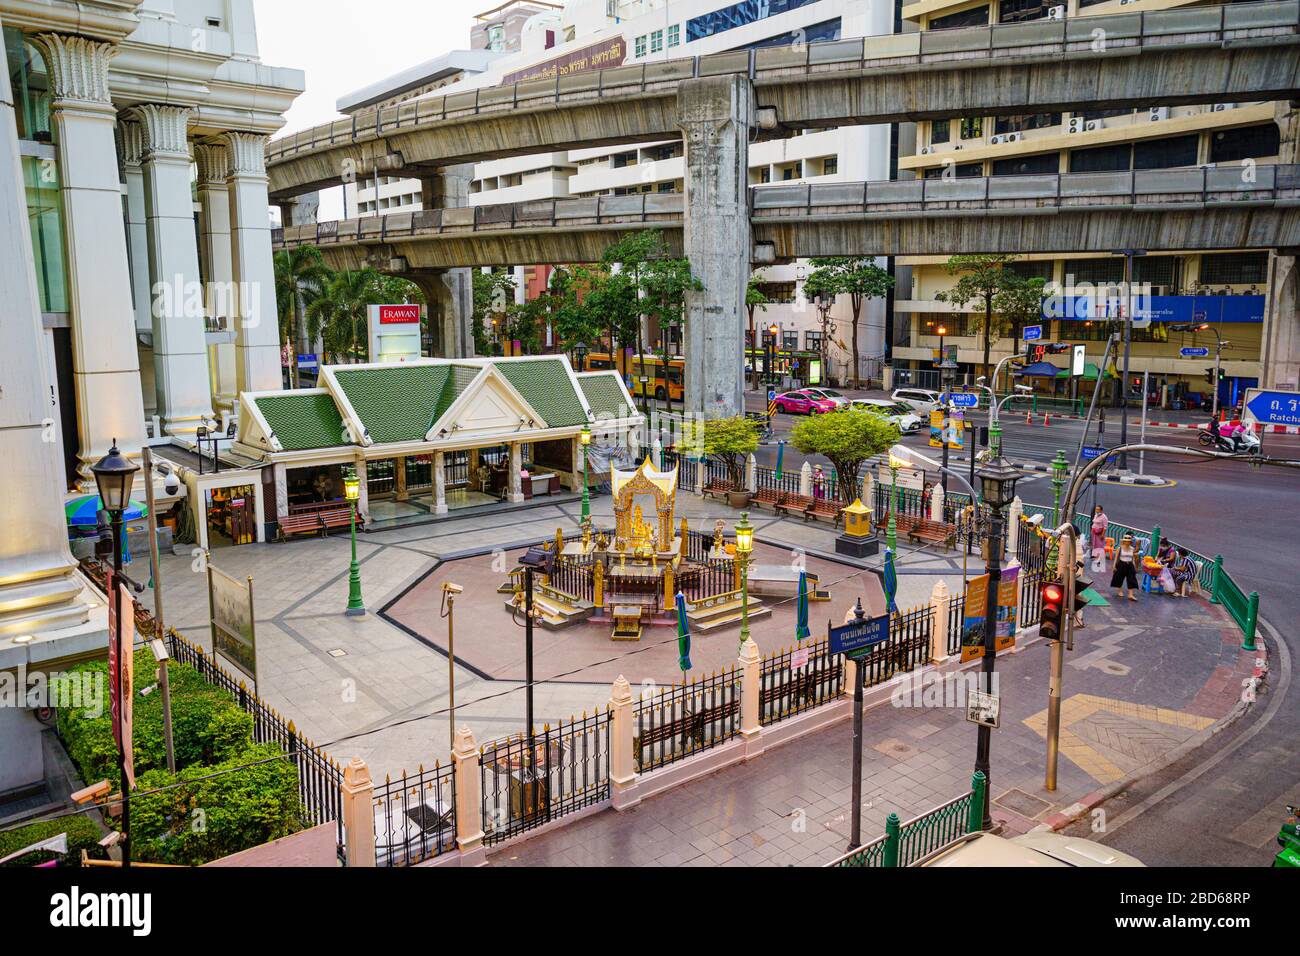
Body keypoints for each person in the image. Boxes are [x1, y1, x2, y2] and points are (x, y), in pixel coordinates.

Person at [1111, 533, 1140, 602]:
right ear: (1124, 541)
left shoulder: (1132, 549)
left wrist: (1134, 567)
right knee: (1119, 578)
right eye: (1126, 541)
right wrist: (1114, 565)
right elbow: (1116, 558)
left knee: (1131, 579)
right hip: (1121, 564)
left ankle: (1130, 594)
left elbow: (1132, 558)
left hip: (1129, 565)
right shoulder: (1119, 548)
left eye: (1129, 541)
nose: (1127, 542)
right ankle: (1119, 591)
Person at [1089, 505, 1109, 570]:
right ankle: (1096, 559)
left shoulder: (1104, 517)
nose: (1097, 510)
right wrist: (1092, 532)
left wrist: (1102, 535)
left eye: (1098, 509)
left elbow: (1105, 527)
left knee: (1100, 547)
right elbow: (1094, 524)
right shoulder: (1096, 515)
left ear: (1101, 510)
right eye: (1096, 509)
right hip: (1094, 533)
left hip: (1099, 534)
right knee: (1095, 546)